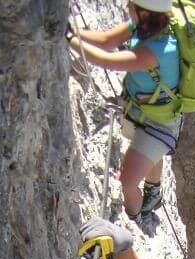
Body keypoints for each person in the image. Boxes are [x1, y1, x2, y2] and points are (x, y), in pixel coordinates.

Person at [68, 1, 181, 229]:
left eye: (132, 4)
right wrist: (72, 31)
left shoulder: (161, 50)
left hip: (159, 125)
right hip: (141, 111)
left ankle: (136, 216)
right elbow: (107, 41)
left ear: (145, 11)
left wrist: (69, 38)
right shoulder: (145, 24)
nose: (127, 5)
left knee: (128, 181)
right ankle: (154, 190)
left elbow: (107, 61)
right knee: (148, 154)